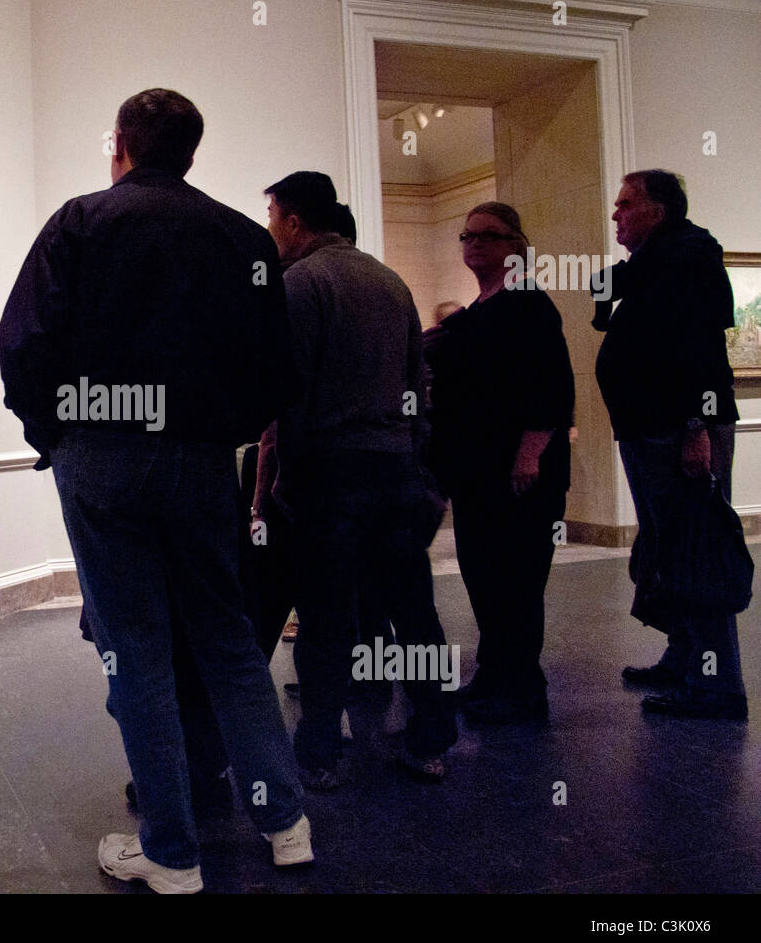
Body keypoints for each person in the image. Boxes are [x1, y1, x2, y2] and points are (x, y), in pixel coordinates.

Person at [0, 88, 311, 894]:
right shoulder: (243, 235)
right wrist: (224, 428)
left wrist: (55, 432)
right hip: (201, 456)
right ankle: (285, 823)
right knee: (229, 639)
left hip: (102, 450)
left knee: (133, 648)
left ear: (123, 145)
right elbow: (276, 368)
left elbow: (23, 338)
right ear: (192, 153)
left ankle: (171, 851)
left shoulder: (81, 220)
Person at [267, 171, 457, 784]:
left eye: (273, 217)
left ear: (294, 221)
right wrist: (418, 466)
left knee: (326, 619)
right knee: (414, 611)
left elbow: (291, 393)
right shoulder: (390, 281)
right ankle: (431, 738)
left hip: (331, 470)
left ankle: (319, 753)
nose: (270, 229)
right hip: (394, 467)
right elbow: (415, 387)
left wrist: (285, 477)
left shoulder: (301, 282)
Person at [595, 169, 747, 719]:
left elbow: (701, 348)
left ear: (657, 211)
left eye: (625, 204)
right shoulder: (655, 262)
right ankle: (685, 656)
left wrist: (695, 429)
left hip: (677, 430)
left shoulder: (688, 256)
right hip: (648, 429)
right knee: (667, 548)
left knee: (697, 550)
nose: (616, 214)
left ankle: (717, 685)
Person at [423, 202, 574, 723]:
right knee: (485, 579)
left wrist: (528, 455)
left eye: (490, 236)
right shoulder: (483, 309)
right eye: (468, 235)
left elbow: (553, 389)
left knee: (516, 583)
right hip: (477, 472)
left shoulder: (528, 305)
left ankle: (523, 691)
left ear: (516, 245)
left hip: (517, 474)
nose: (475, 244)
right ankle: (494, 677)